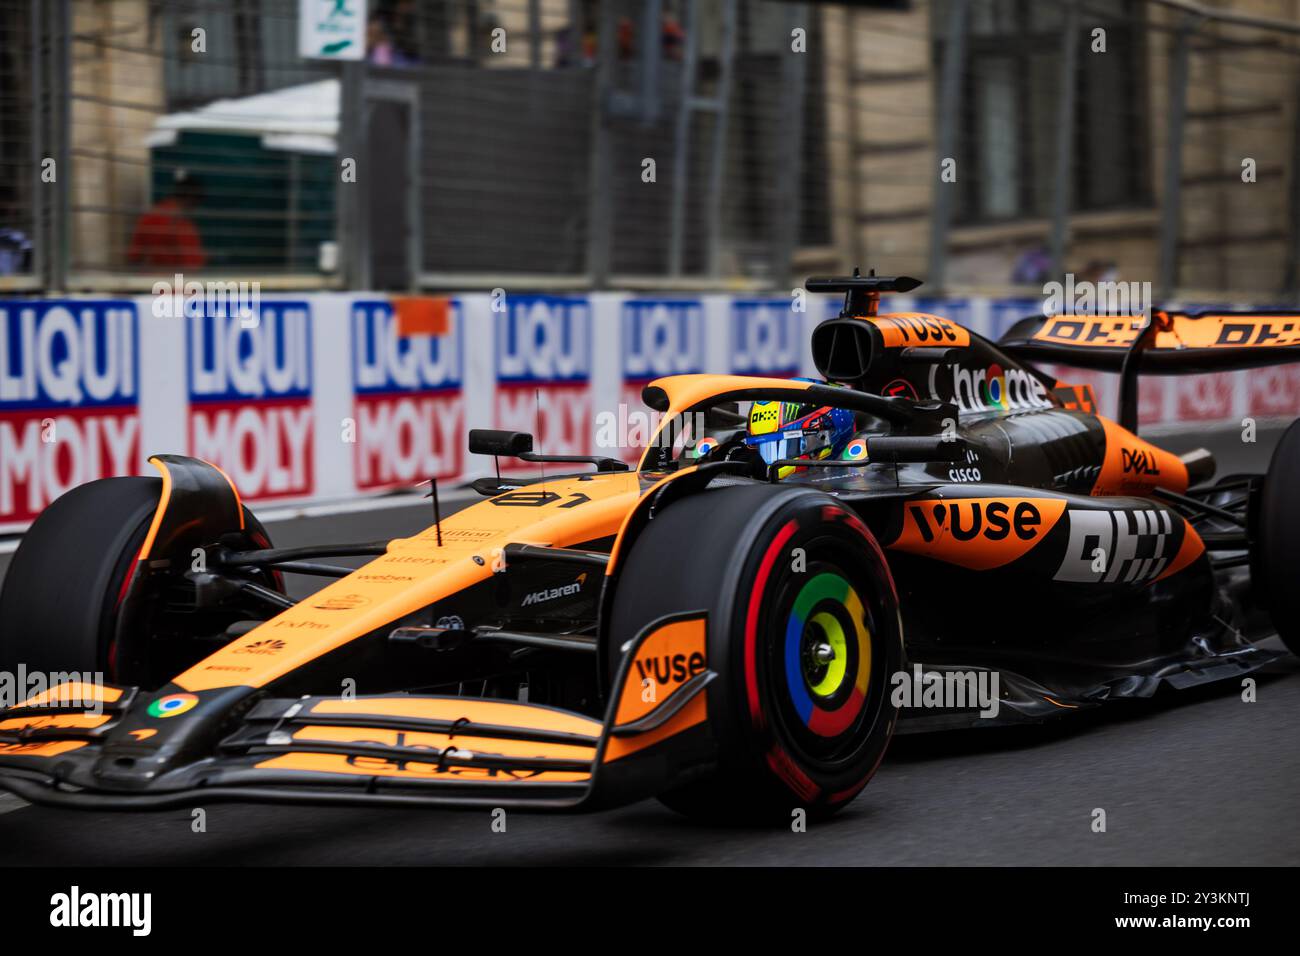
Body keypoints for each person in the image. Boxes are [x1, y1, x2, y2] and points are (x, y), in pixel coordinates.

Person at [127, 170, 207, 270]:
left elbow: (134, 257)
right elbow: (190, 263)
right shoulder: (182, 224)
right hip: (174, 282)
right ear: (191, 198)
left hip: (149, 281)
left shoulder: (149, 217)